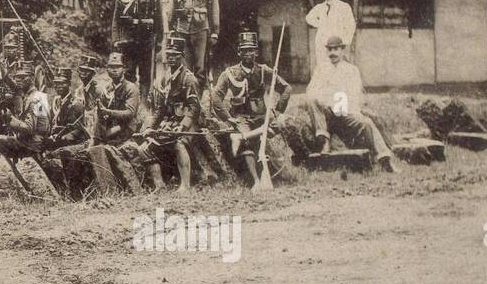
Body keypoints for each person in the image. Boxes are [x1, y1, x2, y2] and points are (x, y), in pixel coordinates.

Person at [211, 30, 293, 183]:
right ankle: (256, 180)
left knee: (277, 126)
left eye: (251, 50)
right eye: (244, 50)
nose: (248, 54)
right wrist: (227, 118)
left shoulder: (264, 70)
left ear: (256, 52)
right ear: (239, 52)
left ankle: (242, 136)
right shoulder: (229, 73)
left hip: (262, 116)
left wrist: (278, 110)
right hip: (241, 118)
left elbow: (287, 88)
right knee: (247, 143)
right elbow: (216, 96)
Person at [306, 35, 396, 171]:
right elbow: (311, 91)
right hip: (326, 116)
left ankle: (385, 160)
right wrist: (327, 100)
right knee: (312, 99)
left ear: (342, 51)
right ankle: (324, 141)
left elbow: (353, 96)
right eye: (330, 50)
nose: (333, 53)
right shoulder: (321, 70)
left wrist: (331, 100)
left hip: (345, 113)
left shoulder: (352, 71)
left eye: (336, 49)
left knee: (367, 123)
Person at [140, 34, 203, 192]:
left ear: (182, 56)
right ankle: (159, 185)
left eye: (175, 55)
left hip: (190, 124)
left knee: (179, 143)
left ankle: (185, 185)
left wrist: (182, 126)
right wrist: (149, 126)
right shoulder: (165, 79)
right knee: (143, 147)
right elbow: (160, 109)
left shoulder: (189, 79)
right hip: (171, 122)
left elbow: (195, 108)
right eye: (168, 55)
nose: (171, 58)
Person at [0, 63, 50, 184]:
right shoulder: (36, 96)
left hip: (29, 146)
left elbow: (29, 128)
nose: (18, 80)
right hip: (32, 143)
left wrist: (10, 120)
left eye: (22, 77)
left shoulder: (34, 99)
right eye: (17, 77)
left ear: (31, 78)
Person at [110, 0, 165, 94]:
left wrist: (159, 40)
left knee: (146, 74)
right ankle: (131, 102)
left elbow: (159, 17)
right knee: (128, 73)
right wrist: (116, 39)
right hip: (128, 40)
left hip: (146, 40)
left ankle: (145, 105)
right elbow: (116, 18)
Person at [167, 0, 219, 87]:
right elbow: (171, 7)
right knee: (183, 65)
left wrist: (215, 31)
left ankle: (198, 98)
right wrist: (170, 26)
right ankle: (185, 97)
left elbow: (214, 7)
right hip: (182, 28)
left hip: (201, 28)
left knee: (200, 66)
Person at [305, 0, 357, 72]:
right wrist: (319, 24)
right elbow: (308, 18)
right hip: (322, 43)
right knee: (323, 68)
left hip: (337, 43)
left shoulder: (343, 7)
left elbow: (351, 25)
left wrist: (345, 41)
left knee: (338, 69)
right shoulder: (320, 7)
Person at [93, 52, 140, 145]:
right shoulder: (106, 88)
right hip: (110, 128)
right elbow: (101, 113)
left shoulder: (131, 88)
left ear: (124, 69)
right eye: (111, 67)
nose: (114, 70)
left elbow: (130, 113)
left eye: (118, 67)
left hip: (126, 129)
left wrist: (108, 112)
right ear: (107, 70)